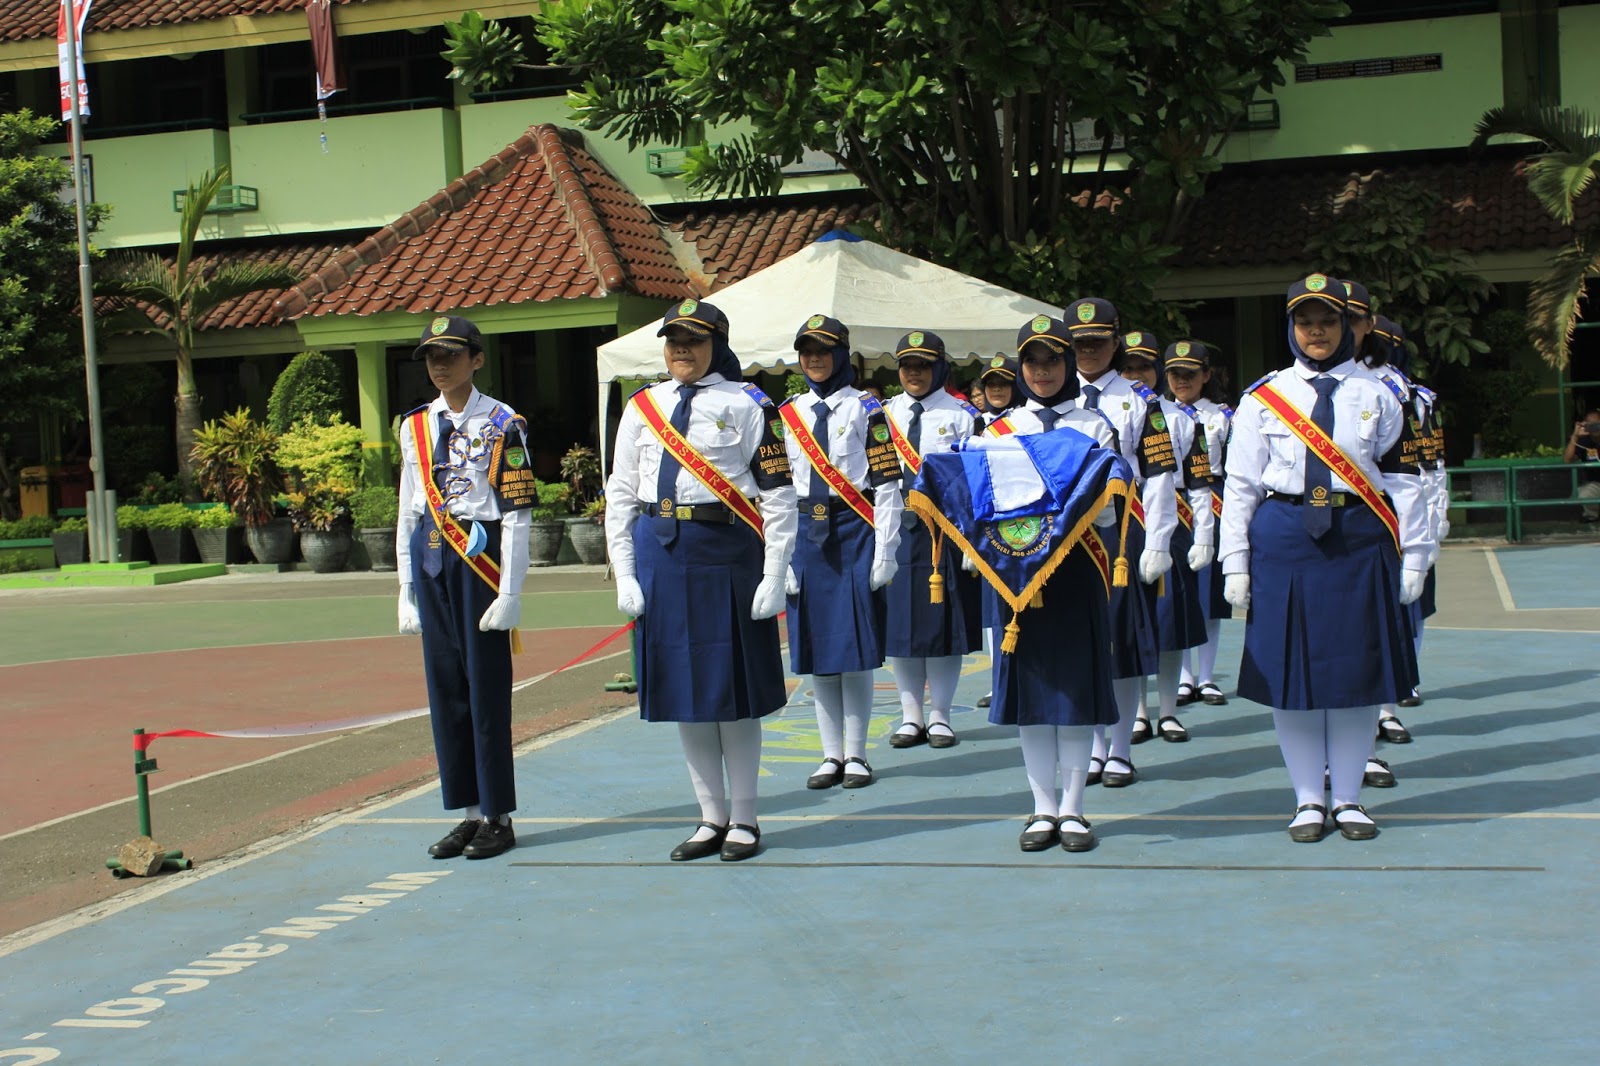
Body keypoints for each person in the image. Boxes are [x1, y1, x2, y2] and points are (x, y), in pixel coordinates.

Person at [1220, 274, 1432, 843]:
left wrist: (1417, 554)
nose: (1316, 332)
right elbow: (1239, 484)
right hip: (1285, 536)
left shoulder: (1383, 394)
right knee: (1290, 674)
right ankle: (1308, 799)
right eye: (1305, 322)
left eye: (1328, 321)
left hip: (1360, 537)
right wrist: (1234, 561)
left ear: (1349, 327)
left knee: (1357, 671)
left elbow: (1407, 481)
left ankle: (1350, 799)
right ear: (1290, 328)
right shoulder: (1263, 397)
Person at [605, 299, 796, 862]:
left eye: (693, 338)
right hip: (660, 552)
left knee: (731, 694)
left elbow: (779, 497)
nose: (681, 349)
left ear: (718, 343)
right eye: (673, 340)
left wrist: (775, 573)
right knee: (686, 695)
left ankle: (745, 818)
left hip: (726, 552)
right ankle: (709, 817)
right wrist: (624, 569)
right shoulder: (642, 406)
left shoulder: (750, 404)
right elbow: (620, 490)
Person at [976, 315, 1126, 851]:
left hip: (1078, 569)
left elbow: (1108, 514)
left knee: (1074, 691)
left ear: (1068, 365)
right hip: (1017, 577)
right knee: (1033, 694)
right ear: (1019, 366)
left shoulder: (1094, 426)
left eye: (1053, 360)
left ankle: (1074, 808)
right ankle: (1041, 808)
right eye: (1032, 361)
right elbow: (982, 508)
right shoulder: (995, 429)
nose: (1042, 371)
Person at [397, 313, 536, 860]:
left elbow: (518, 513)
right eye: (432, 355)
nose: (439, 364)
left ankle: (497, 813)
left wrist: (512, 592)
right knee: (445, 692)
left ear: (476, 360)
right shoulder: (413, 425)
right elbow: (408, 509)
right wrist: (405, 588)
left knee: (484, 692)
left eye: (451, 354)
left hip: (478, 562)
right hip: (431, 557)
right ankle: (467, 811)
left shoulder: (503, 423)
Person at [781, 315, 903, 790]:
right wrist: (781, 556)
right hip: (803, 530)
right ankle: (829, 754)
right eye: (807, 350)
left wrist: (886, 549)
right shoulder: (785, 413)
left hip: (855, 527)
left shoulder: (868, 410)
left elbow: (889, 482)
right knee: (817, 651)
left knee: (854, 648)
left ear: (842, 354)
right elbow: (774, 488)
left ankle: (856, 753)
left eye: (824, 350)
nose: (815, 358)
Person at [1063, 299, 1178, 788]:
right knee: (1080, 641)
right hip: (1067, 535)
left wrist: (1159, 538)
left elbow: (1159, 474)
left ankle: (1122, 749)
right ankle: (1091, 747)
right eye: (1078, 342)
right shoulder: (1051, 397)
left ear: (1116, 341)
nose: (1088, 350)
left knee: (1122, 641)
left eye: (1098, 341)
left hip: (1122, 531)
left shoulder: (1140, 400)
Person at [882, 331, 984, 750]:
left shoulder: (962, 414)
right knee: (901, 628)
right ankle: (910, 717)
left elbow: (976, 480)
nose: (914, 373)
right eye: (907, 365)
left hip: (946, 531)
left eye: (923, 365)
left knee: (943, 626)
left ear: (940, 366)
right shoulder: (883, 414)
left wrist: (973, 542)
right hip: (895, 527)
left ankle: (940, 715)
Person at [1120, 333, 1215, 745]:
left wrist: (1204, 534)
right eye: (1129, 368)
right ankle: (1139, 711)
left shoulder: (1181, 419)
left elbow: (1199, 482)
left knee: (1170, 622)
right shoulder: (1112, 411)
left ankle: (1169, 710)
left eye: (1144, 367)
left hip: (1172, 524)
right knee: (1132, 622)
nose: (1136, 375)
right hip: (1124, 519)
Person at [1168, 341, 1235, 709]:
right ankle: (1184, 676)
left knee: (1210, 593)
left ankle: (1207, 677)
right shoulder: (1158, 413)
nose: (1182, 381)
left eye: (1190, 374)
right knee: (1179, 590)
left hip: (1212, 500)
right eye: (1175, 374)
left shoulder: (1223, 416)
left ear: (1206, 376)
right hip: (1173, 503)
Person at [974, 354, 1022, 709]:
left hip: (1022, 527)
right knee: (994, 613)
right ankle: (998, 678)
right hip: (989, 527)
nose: (996, 390)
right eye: (991, 384)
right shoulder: (977, 424)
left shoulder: (1022, 422)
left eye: (1004, 384)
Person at [1563, 406, 1600, 521]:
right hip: (1596, 484)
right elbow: (1567, 460)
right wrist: (1575, 435)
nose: (1595, 428)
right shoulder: (1584, 442)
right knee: (1584, 493)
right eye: (1591, 425)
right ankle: (1592, 516)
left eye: (1597, 424)